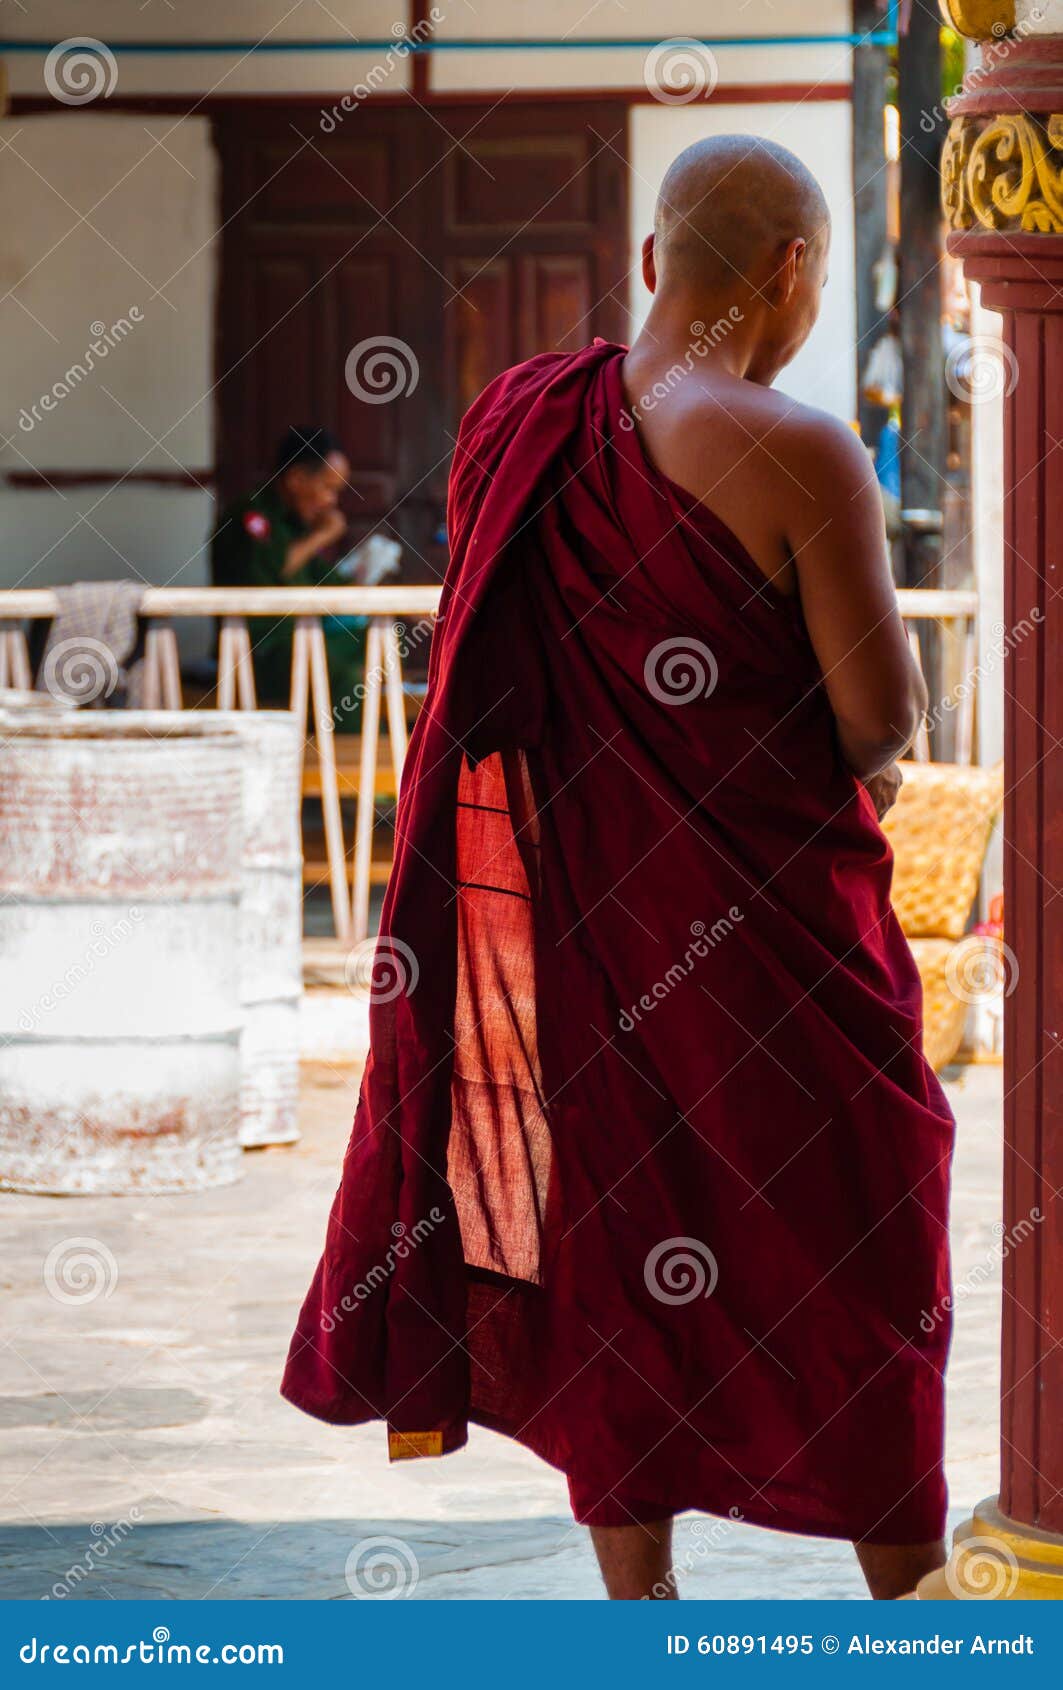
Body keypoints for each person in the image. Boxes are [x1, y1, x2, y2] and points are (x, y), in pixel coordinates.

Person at [281, 137, 953, 1602]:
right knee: (861, 1218)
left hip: (579, 948)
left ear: (652, 265)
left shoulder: (518, 418)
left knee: (616, 1239)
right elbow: (875, 717)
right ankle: (905, 1594)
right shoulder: (800, 449)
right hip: (770, 957)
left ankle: (634, 1599)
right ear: (790, 274)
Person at [210, 426, 366, 719]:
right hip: (260, 648)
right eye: (328, 488)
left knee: (377, 639)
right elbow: (276, 568)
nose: (332, 501)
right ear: (295, 479)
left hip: (300, 638)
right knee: (343, 679)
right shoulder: (250, 514)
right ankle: (354, 760)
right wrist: (321, 537)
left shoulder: (297, 522)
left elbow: (330, 580)